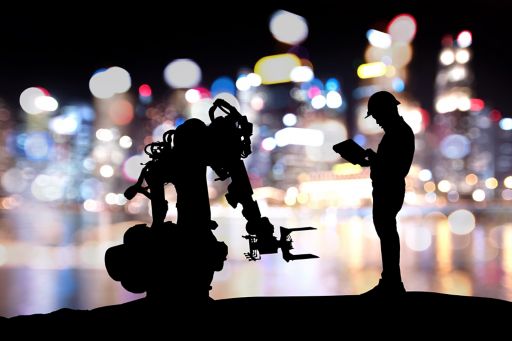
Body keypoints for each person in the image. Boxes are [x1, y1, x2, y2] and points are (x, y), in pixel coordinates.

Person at [359, 91, 415, 296]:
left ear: (386, 111)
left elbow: (396, 168)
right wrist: (372, 160)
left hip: (389, 189)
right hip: (387, 188)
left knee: (388, 233)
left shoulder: (398, 132)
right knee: (387, 233)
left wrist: (374, 160)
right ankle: (390, 280)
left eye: (376, 115)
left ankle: (391, 283)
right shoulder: (397, 132)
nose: (376, 120)